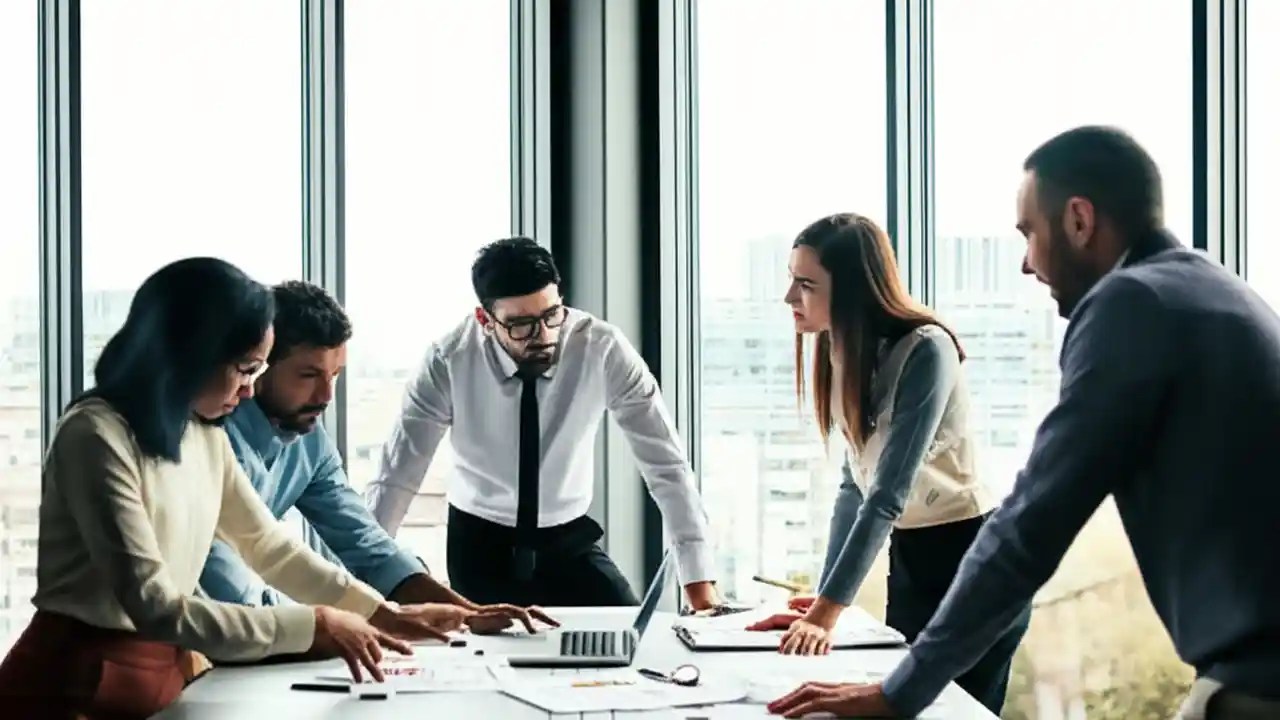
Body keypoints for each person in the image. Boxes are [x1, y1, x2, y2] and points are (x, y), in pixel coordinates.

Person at [767, 127, 1280, 720]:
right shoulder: (1209, 288)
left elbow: (1031, 526)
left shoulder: (1130, 306)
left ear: (1080, 221)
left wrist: (895, 695)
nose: (1025, 261)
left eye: (1029, 234)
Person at [0, 259, 463, 718]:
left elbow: (270, 548)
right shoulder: (95, 433)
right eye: (245, 370)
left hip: (164, 672)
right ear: (191, 354)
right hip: (75, 685)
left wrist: (382, 613)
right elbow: (154, 605)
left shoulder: (202, 433)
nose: (248, 392)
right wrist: (314, 624)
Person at [744, 213, 1028, 713]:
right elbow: (854, 486)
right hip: (914, 557)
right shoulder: (841, 348)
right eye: (792, 280)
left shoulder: (927, 349)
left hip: (973, 557)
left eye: (805, 284)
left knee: (947, 712)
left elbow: (886, 495)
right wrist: (824, 599)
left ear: (853, 289)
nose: (790, 297)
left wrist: (828, 613)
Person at [365, 237, 720, 609]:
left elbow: (666, 464)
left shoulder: (602, 349)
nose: (544, 336)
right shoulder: (448, 360)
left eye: (552, 315)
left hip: (566, 538)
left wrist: (698, 585)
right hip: (478, 544)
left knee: (627, 641)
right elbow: (397, 477)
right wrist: (362, 584)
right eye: (521, 325)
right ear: (485, 320)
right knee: (488, 659)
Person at [199, 280, 556, 635]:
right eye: (308, 375)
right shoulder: (208, 443)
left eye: (335, 375)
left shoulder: (309, 442)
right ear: (261, 367)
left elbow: (367, 546)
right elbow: (233, 592)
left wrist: (465, 613)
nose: (326, 395)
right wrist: (348, 626)